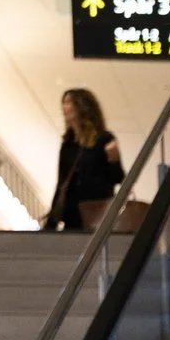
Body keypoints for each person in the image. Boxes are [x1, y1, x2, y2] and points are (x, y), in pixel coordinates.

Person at [40, 89, 122, 233]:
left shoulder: (103, 139)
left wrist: (114, 160)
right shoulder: (68, 144)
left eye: (69, 102)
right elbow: (62, 182)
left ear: (82, 106)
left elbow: (117, 177)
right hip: (72, 215)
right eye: (64, 103)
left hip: (96, 213)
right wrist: (51, 223)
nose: (64, 107)